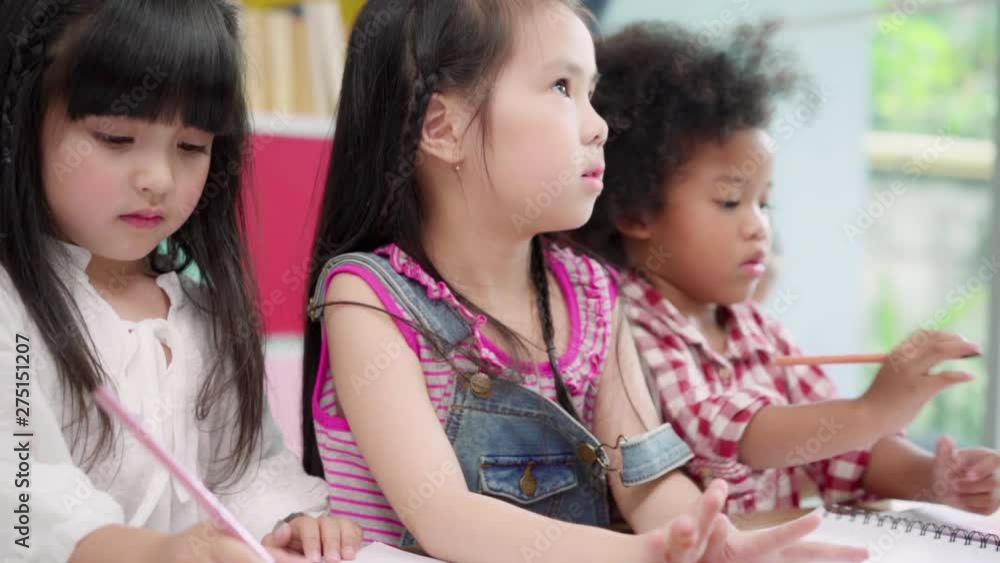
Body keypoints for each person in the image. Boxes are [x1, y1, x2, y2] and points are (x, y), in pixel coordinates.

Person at [299, 2, 871, 562]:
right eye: (560, 88)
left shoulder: (594, 293)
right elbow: (445, 518)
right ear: (443, 128)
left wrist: (706, 541)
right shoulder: (368, 299)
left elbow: (647, 481)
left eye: (590, 93)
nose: (597, 126)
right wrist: (640, 553)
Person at [572, 20, 1000, 516]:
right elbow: (729, 433)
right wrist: (871, 409)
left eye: (765, 203)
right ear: (635, 212)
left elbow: (843, 451)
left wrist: (933, 477)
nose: (759, 228)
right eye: (731, 201)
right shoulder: (626, 324)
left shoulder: (757, 330)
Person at [0, 2, 362, 561]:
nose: (159, 179)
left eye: (192, 147)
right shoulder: (11, 311)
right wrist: (155, 553)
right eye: (116, 137)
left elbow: (248, 472)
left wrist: (291, 521)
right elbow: (23, 502)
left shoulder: (201, 314)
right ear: (20, 124)